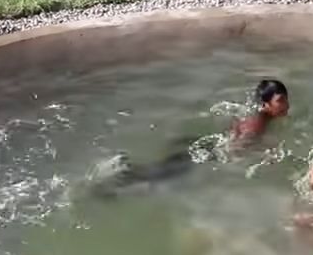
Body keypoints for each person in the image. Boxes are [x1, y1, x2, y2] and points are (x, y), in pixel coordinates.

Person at [90, 79, 290, 195]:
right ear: (265, 104)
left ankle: (118, 176)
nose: (286, 104)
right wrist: (263, 154)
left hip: (199, 142)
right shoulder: (258, 123)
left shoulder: (255, 115)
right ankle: (114, 176)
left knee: (157, 171)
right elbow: (236, 148)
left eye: (285, 99)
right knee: (157, 175)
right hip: (203, 152)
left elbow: (234, 126)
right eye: (280, 100)